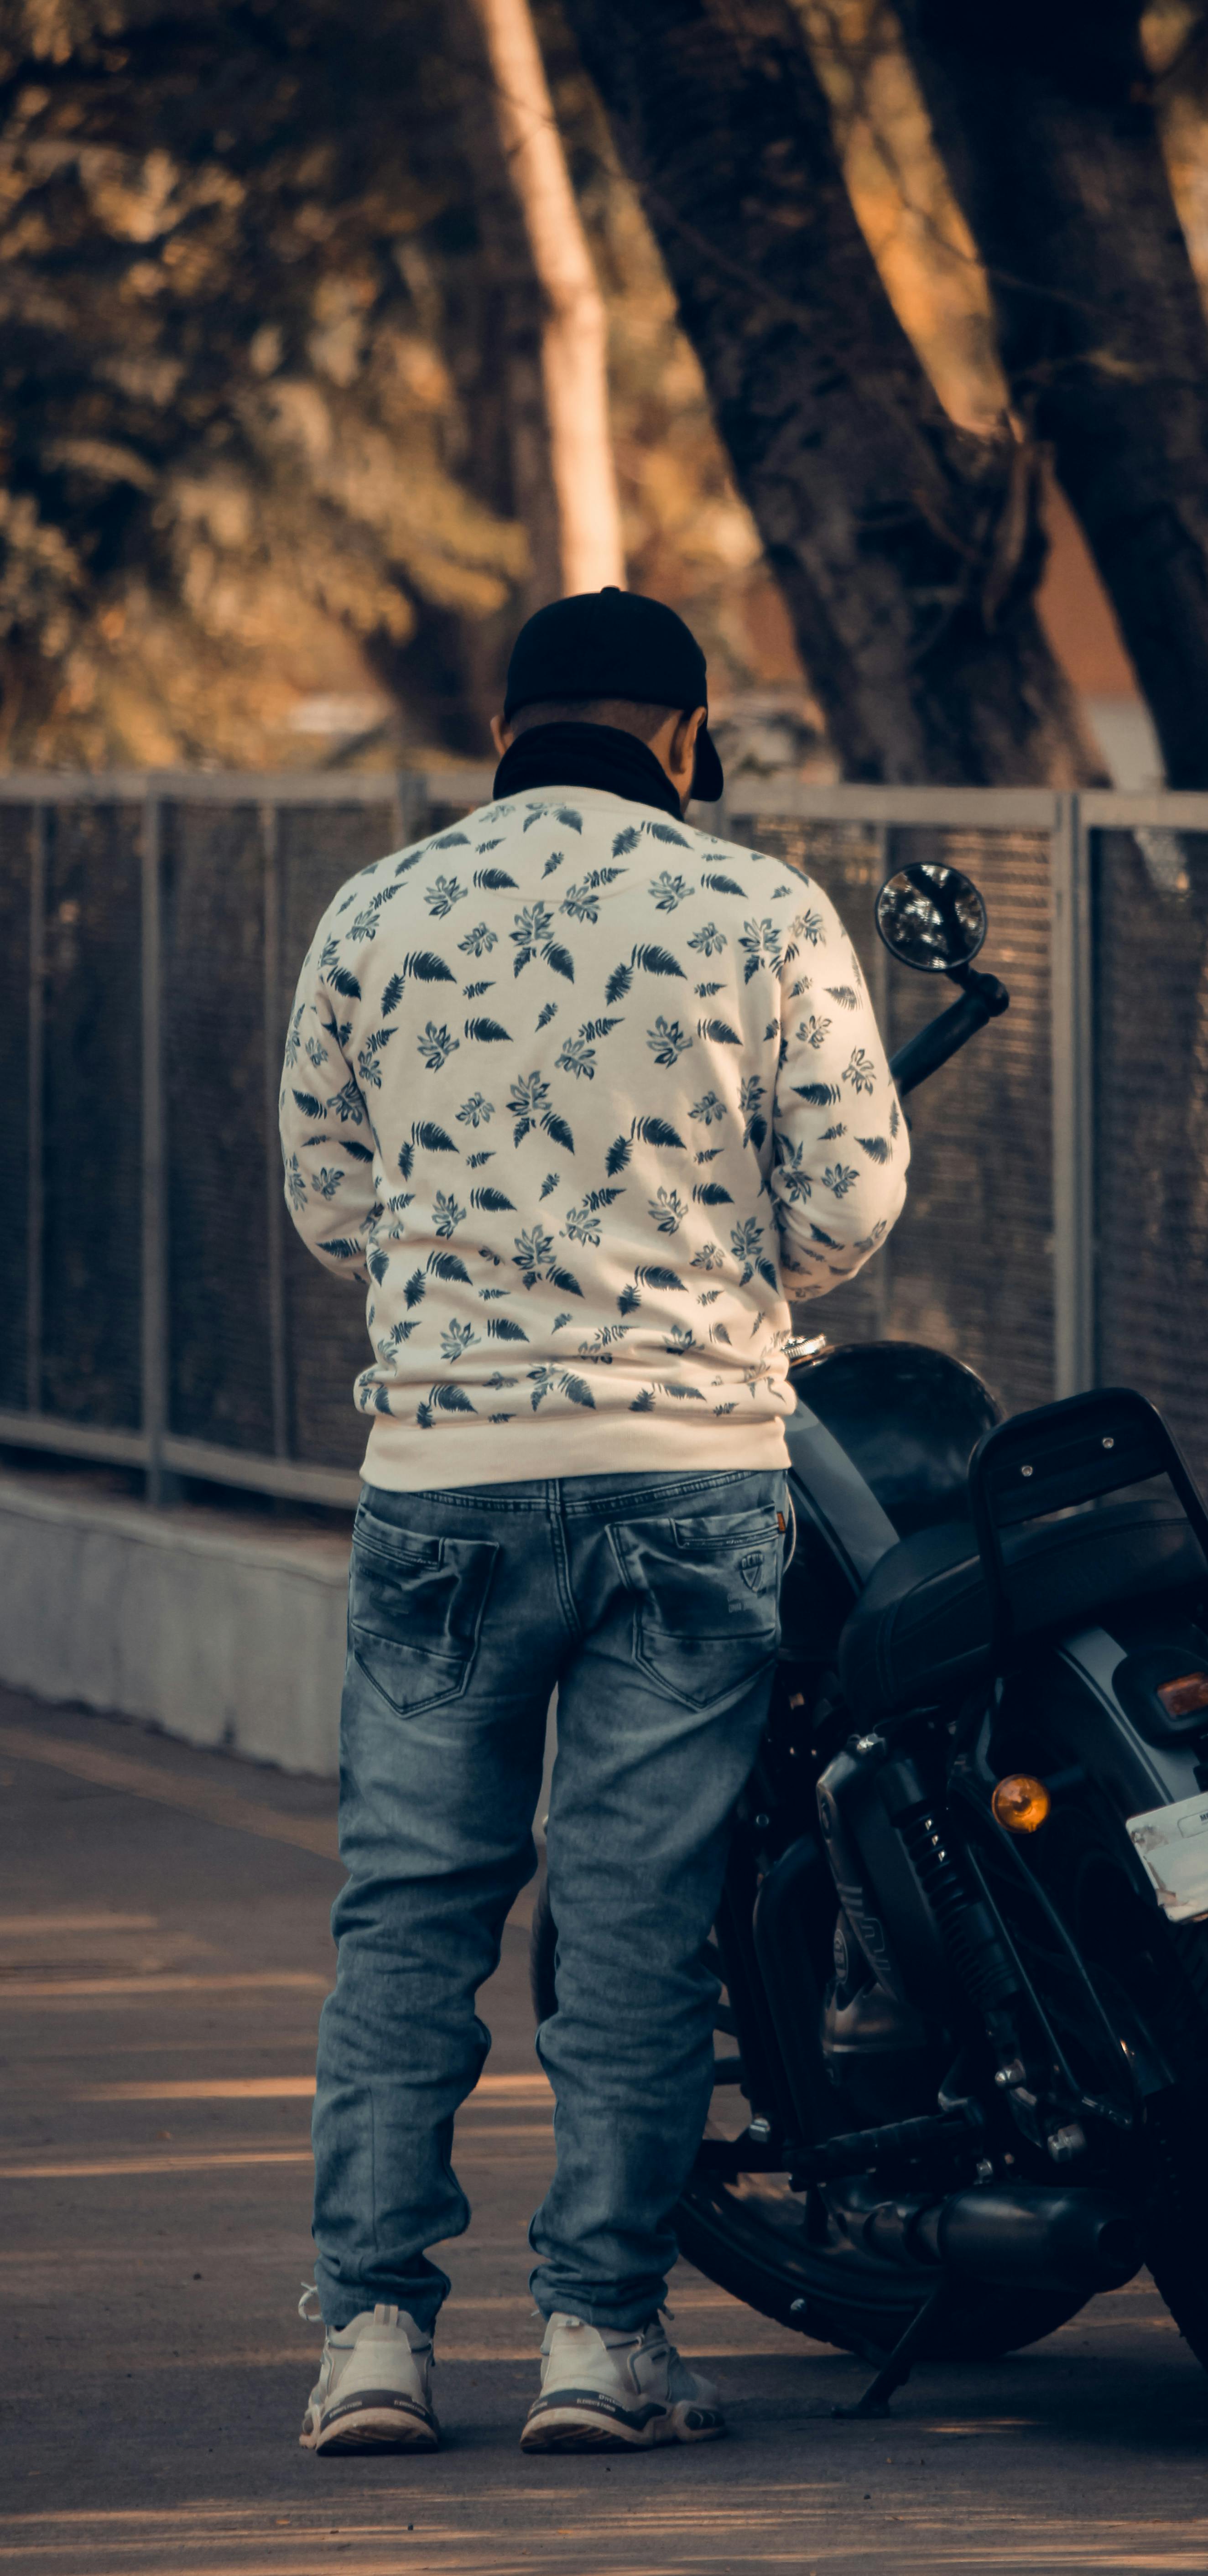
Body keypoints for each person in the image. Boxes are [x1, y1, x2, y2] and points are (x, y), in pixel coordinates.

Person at [281, 588, 907, 2456]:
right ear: (686, 738)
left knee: (406, 1912)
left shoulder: (377, 913)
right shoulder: (761, 910)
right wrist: (722, 1274)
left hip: (445, 1483)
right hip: (690, 1469)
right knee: (634, 1924)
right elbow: (851, 1193)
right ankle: (596, 2339)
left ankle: (373, 2338)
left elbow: (334, 1201)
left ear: (505, 736)